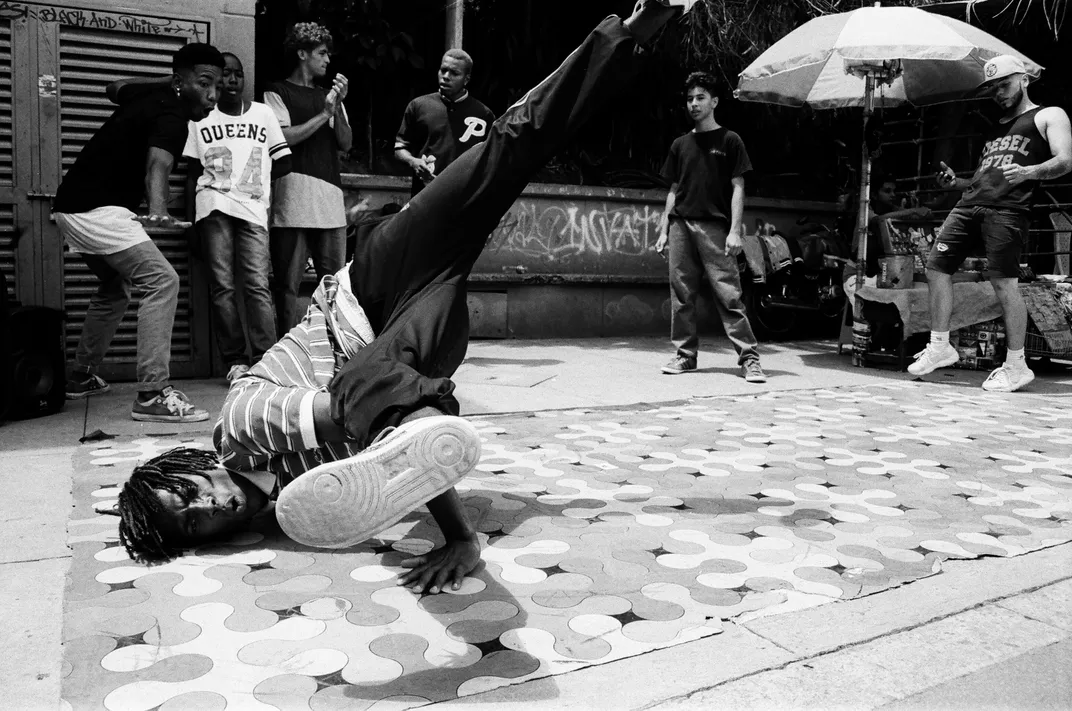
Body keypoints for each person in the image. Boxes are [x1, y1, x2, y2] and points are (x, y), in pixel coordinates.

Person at [111, 0, 691, 594]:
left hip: (367, 291)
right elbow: (408, 458)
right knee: (383, 396)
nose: (205, 507)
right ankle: (418, 416)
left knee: (504, 148)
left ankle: (632, 31)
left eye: (186, 494)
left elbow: (356, 416)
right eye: (193, 526)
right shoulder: (302, 510)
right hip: (410, 349)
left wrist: (404, 441)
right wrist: (459, 536)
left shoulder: (236, 429)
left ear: (184, 465)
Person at [55, 43, 224, 423]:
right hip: (95, 209)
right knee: (162, 281)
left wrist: (175, 81)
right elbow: (158, 164)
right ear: (182, 82)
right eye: (204, 84)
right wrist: (159, 210)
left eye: (218, 87)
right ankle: (152, 393)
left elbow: (113, 87)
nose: (212, 96)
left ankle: (81, 375)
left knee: (115, 287)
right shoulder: (173, 116)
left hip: (70, 206)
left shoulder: (152, 93)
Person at [908, 55, 1072, 391]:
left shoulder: (1048, 114)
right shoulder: (995, 127)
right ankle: (940, 346)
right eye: (993, 88)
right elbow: (986, 177)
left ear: (1024, 79)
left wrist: (1030, 172)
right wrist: (955, 184)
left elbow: (1065, 161)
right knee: (936, 268)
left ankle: (1016, 365)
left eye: (1005, 84)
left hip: (1009, 211)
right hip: (969, 205)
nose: (998, 93)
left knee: (1004, 285)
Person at [184, 53, 292, 383]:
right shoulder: (200, 118)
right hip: (213, 209)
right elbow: (190, 173)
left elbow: (283, 163)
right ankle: (235, 361)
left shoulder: (263, 114)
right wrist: (192, 225)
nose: (232, 80)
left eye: (238, 74)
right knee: (222, 287)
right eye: (225, 74)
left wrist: (262, 194)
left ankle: (264, 359)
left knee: (257, 285)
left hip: (254, 211)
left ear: (244, 79)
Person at [654, 71, 766, 383]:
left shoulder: (730, 141)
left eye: (700, 98)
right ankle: (685, 356)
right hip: (680, 226)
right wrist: (664, 229)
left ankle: (750, 359)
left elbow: (738, 187)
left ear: (714, 101)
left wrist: (734, 230)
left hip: (715, 228)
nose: (694, 104)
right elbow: (674, 189)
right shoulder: (680, 144)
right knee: (682, 295)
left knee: (729, 294)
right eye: (690, 99)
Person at [264, 23, 353, 335]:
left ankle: (335, 346)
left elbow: (345, 143)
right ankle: (285, 347)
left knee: (334, 285)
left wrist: (337, 107)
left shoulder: (328, 97)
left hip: (329, 202)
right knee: (287, 285)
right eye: (322, 53)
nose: (328, 60)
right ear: (302, 53)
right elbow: (283, 137)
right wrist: (324, 115)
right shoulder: (276, 92)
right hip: (292, 200)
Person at [394, 48, 496, 197]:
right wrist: (413, 161)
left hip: (464, 201)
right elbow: (400, 149)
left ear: (466, 79)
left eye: (454, 73)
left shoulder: (484, 115)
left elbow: (490, 162)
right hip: (423, 198)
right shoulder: (419, 106)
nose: (446, 77)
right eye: (443, 70)